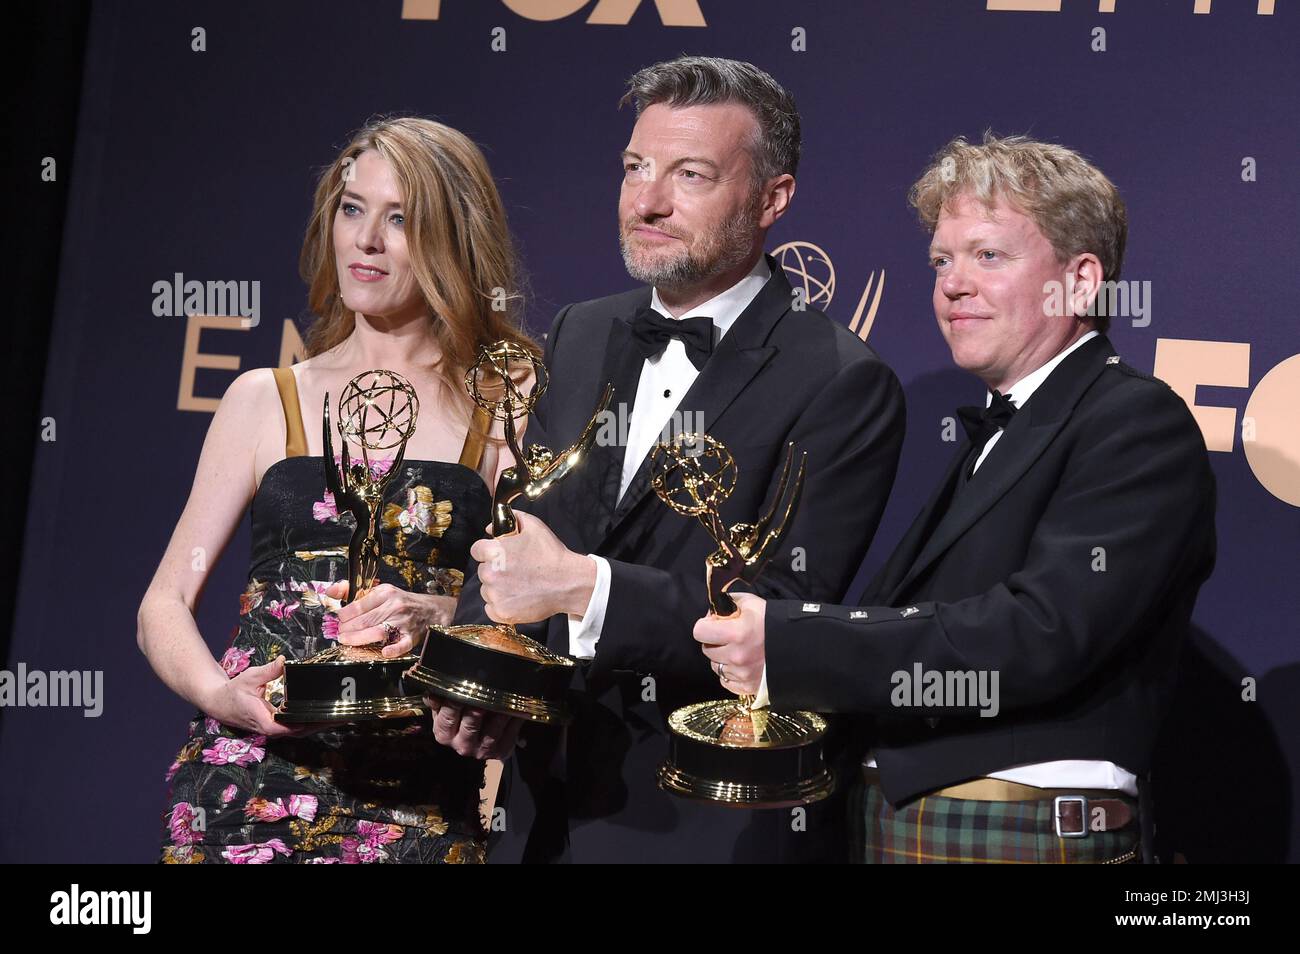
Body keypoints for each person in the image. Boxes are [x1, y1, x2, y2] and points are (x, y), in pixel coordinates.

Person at [692, 133, 1217, 864]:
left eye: (988, 255)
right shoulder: (1004, 431)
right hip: (916, 826)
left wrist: (792, 644)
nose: (952, 283)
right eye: (942, 259)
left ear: (1082, 280)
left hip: (1015, 834)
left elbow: (1039, 633)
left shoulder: (1134, 422)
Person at [435, 56, 906, 863]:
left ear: (773, 199)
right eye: (634, 169)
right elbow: (528, 526)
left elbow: (784, 618)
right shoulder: (583, 331)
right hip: (535, 808)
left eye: (690, 175)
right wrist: (484, 673)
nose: (647, 201)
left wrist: (590, 589)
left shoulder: (841, 380)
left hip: (694, 820)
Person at [138, 117, 534, 864]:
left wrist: (446, 616)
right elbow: (163, 603)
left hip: (418, 799)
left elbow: (532, 612)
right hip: (248, 788)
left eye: (400, 219)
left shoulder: (507, 400)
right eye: (352, 209)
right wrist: (224, 699)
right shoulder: (265, 398)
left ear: (452, 237)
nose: (366, 241)